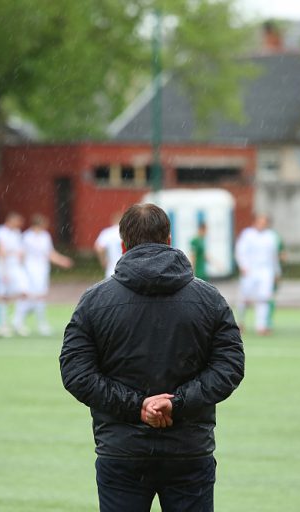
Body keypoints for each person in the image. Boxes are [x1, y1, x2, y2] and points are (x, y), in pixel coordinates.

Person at [60, 203, 244, 512]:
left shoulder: (95, 300)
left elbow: (76, 372)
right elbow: (230, 365)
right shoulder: (208, 298)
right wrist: (177, 402)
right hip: (188, 448)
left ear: (122, 244)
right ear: (169, 239)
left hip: (122, 449)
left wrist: (136, 406)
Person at [18, 214, 73, 336]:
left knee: (39, 297)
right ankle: (20, 321)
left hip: (42, 271)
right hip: (30, 271)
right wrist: (21, 273)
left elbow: (50, 253)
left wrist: (62, 260)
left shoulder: (45, 236)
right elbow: (21, 254)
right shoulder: (27, 236)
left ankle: (35, 322)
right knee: (30, 297)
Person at [235, 214, 285, 335]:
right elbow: (240, 251)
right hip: (250, 270)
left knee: (264, 298)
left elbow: (274, 256)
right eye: (259, 221)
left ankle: (261, 326)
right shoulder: (248, 234)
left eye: (264, 222)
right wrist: (243, 266)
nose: (261, 224)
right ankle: (239, 321)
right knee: (244, 298)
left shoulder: (271, 236)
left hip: (266, 271)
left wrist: (277, 272)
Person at [0, 212, 27, 337]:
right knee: (3, 296)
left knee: (23, 292)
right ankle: (2, 324)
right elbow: (0, 251)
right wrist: (4, 271)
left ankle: (17, 321)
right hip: (3, 267)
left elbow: (20, 251)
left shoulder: (16, 233)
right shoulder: (0, 232)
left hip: (16, 267)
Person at [94, 212, 122, 280]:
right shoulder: (129, 232)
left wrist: (103, 261)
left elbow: (99, 248)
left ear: (113, 221)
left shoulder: (107, 233)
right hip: (128, 271)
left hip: (112, 270)